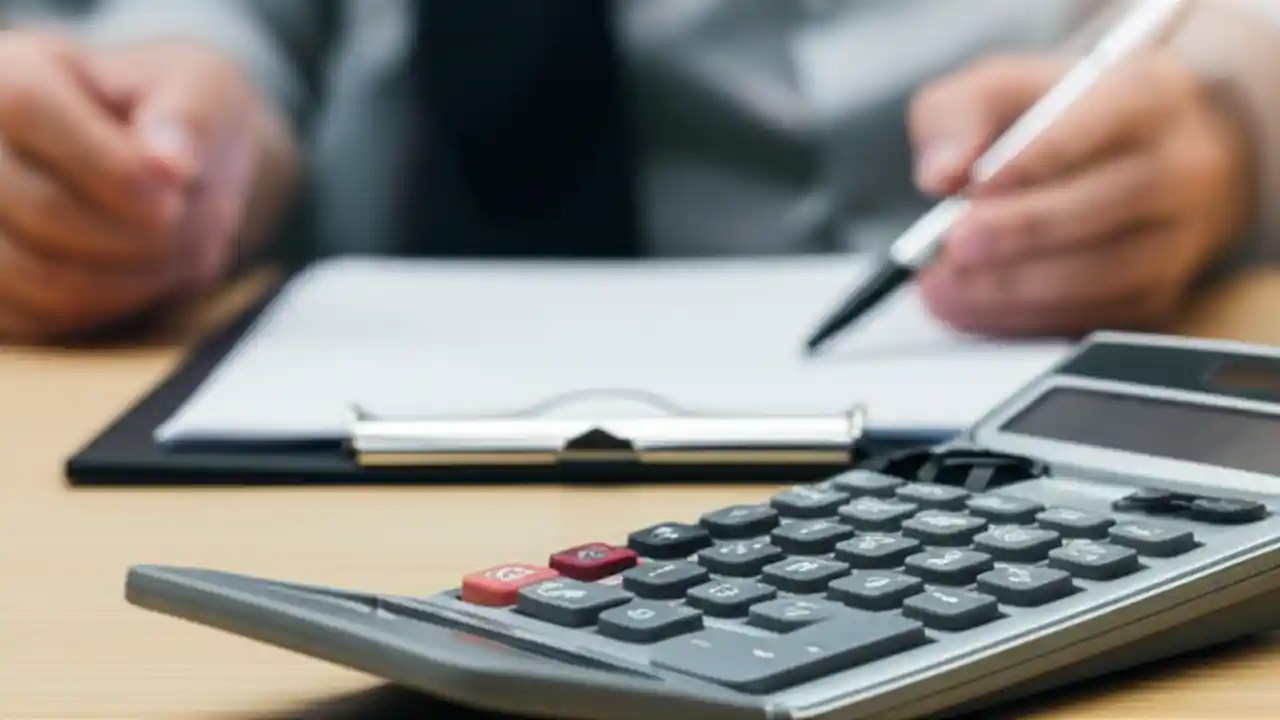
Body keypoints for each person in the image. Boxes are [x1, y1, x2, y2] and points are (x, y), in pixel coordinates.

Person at [0, 0, 1277, 343]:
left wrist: (1219, 119)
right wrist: (160, 100)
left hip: (995, 351)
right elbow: (227, 29)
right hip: (313, 406)